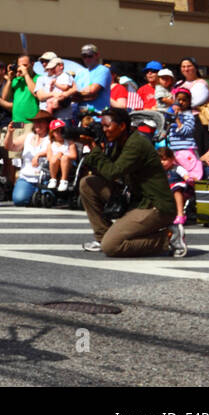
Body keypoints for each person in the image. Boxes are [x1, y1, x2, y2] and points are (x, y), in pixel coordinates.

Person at [78, 107, 177, 257]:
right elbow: (101, 171)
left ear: (122, 126)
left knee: (111, 246)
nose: (104, 130)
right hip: (135, 200)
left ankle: (169, 238)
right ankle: (102, 236)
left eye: (107, 126)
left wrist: (96, 149)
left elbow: (112, 172)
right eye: (102, 126)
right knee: (88, 184)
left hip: (155, 205)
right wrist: (97, 147)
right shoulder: (119, 142)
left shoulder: (136, 144)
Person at [12, 112, 51, 206]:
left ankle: (38, 195)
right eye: (36, 122)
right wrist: (9, 133)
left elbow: (55, 150)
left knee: (48, 199)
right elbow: (10, 146)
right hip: (27, 176)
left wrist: (39, 155)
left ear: (47, 124)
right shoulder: (28, 136)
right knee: (19, 200)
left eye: (41, 122)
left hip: (45, 177)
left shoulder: (51, 138)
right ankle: (31, 195)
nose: (38, 125)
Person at [74, 43, 112, 114]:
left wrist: (78, 95)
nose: (87, 58)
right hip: (80, 116)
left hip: (98, 116)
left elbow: (92, 91)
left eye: (90, 56)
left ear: (97, 55)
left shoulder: (102, 70)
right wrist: (84, 95)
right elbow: (73, 93)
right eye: (84, 56)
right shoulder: (80, 73)